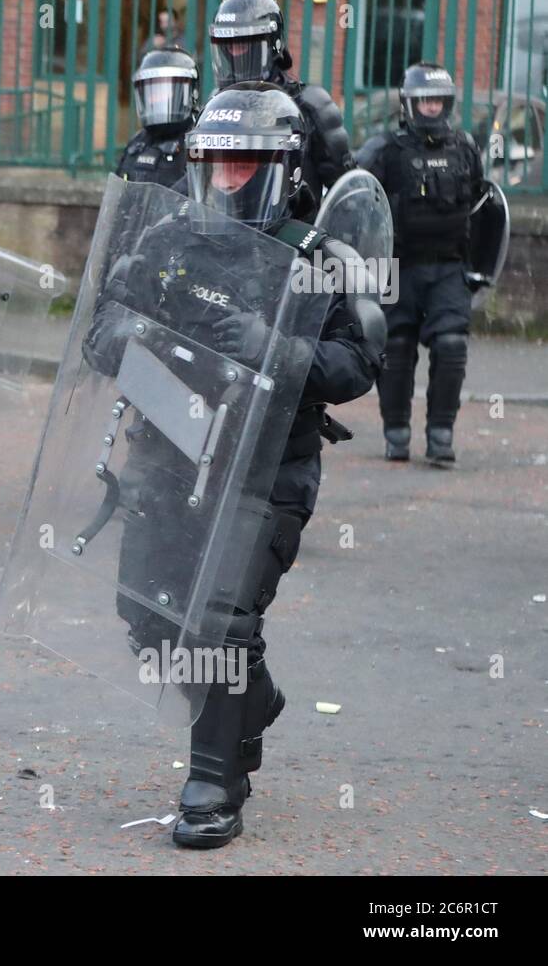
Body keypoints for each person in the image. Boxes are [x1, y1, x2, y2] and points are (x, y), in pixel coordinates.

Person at [83, 83, 384, 847]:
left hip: (266, 467)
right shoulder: (169, 240)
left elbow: (358, 362)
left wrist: (272, 349)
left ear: (280, 167)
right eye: (215, 162)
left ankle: (215, 778)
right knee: (149, 615)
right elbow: (101, 329)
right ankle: (249, 703)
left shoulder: (317, 255)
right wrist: (134, 333)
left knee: (217, 621)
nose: (226, 176)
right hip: (171, 451)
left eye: (244, 162)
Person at [356, 62, 488, 464]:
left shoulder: (465, 148)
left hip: (448, 267)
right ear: (408, 104)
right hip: (397, 267)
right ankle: (396, 432)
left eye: (437, 101)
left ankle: (441, 434)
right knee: (395, 348)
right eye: (424, 101)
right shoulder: (383, 151)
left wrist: (476, 270)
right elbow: (356, 200)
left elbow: (483, 206)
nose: (431, 108)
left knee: (451, 345)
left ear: (446, 104)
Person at [208, 0, 355, 217]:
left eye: (244, 44)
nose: (235, 53)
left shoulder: (309, 104)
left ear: (272, 44)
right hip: (225, 232)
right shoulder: (215, 106)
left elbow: (348, 191)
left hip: (293, 239)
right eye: (229, 45)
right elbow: (194, 179)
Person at [115, 46, 199, 189]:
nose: (156, 98)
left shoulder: (199, 143)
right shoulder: (136, 144)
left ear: (191, 92)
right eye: (151, 92)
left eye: (163, 92)